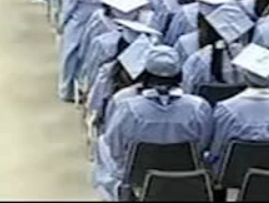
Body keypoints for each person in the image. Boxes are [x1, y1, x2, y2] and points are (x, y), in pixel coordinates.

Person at [91, 44, 214, 200]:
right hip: (187, 172)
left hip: (138, 176)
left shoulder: (127, 107)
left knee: (102, 142)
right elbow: (204, 143)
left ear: (145, 72)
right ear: (179, 74)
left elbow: (116, 148)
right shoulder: (198, 107)